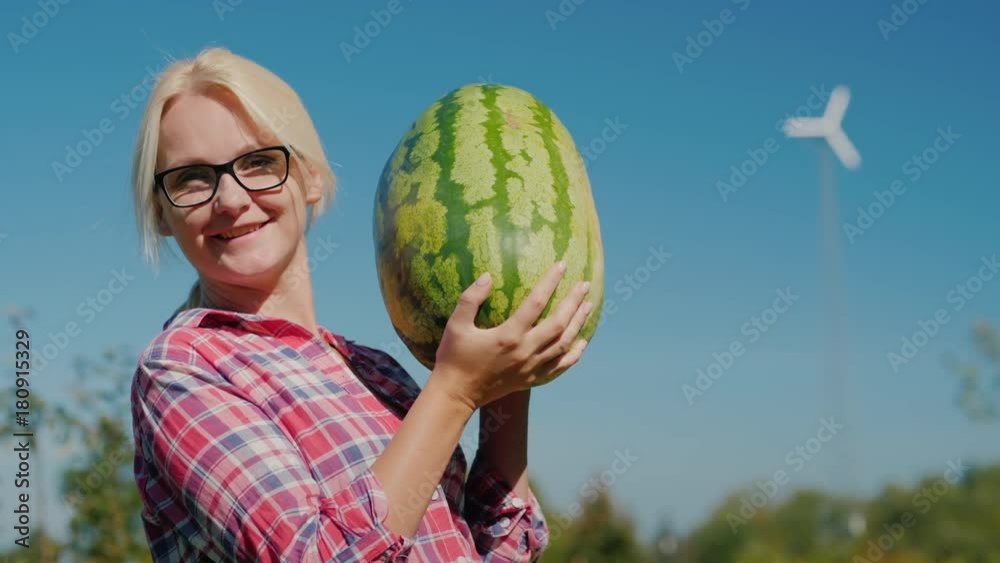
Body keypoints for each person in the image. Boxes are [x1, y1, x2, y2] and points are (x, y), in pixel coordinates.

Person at [128, 47, 594, 562]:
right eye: (191, 178)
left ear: (308, 176)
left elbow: (495, 548)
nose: (231, 199)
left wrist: (509, 375)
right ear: (161, 212)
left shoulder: (375, 370)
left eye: (259, 161)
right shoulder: (182, 369)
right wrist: (457, 390)